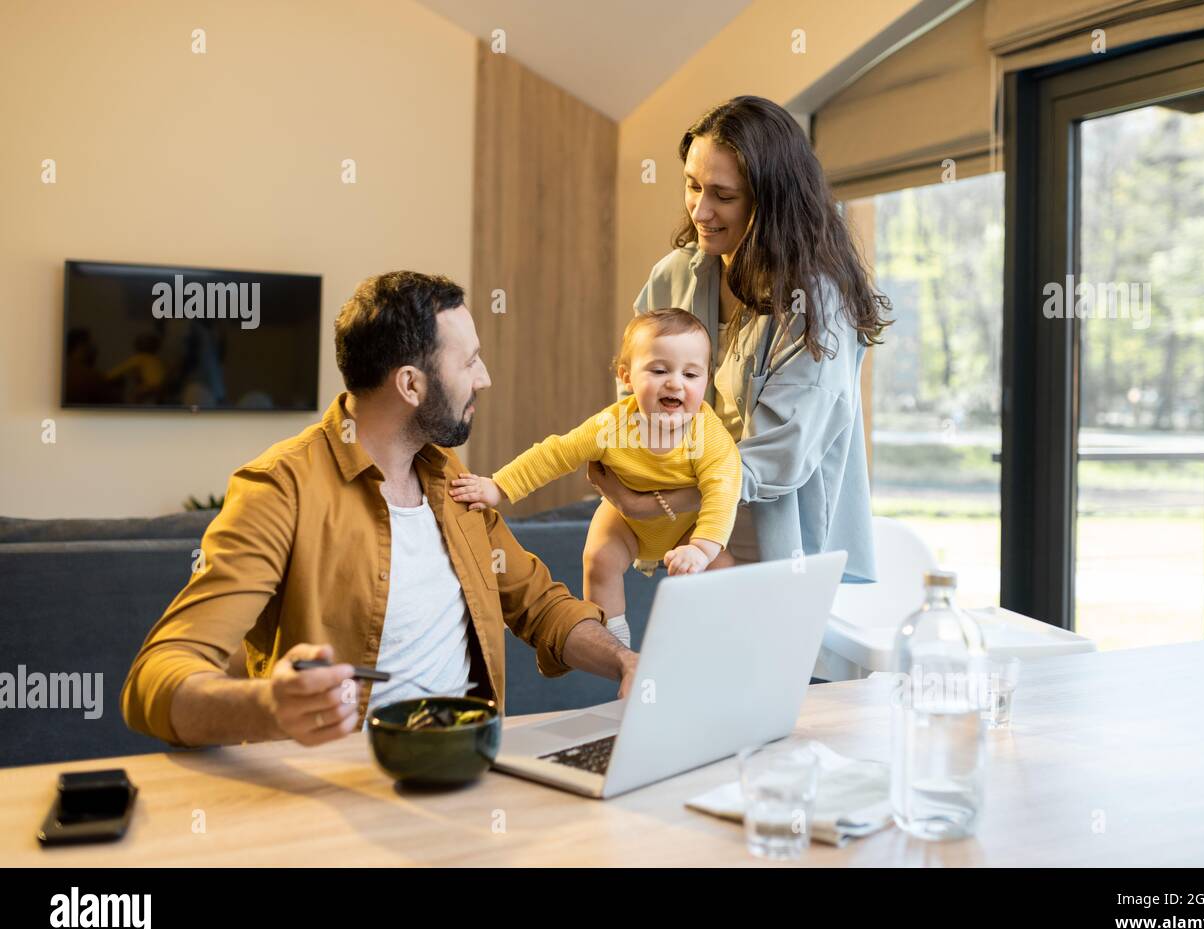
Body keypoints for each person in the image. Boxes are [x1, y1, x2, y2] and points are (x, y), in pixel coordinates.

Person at [120, 271, 636, 748]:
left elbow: (539, 606)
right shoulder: (280, 489)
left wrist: (625, 661)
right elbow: (156, 677)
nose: (485, 378)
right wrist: (272, 707)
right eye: (469, 361)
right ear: (410, 385)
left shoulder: (451, 478)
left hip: (466, 770)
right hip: (339, 791)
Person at [589, 94, 891, 585]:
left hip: (777, 538)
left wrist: (662, 497)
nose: (701, 211)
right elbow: (637, 385)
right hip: (687, 526)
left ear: (769, 201)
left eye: (723, 196)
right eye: (692, 186)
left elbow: (783, 451)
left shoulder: (815, 302)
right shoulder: (674, 277)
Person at [451, 308, 741, 647]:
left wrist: (701, 549)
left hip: (689, 527)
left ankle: (714, 644)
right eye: (659, 370)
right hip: (625, 522)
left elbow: (723, 491)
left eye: (691, 375)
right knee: (599, 558)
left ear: (707, 380)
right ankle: (615, 644)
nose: (675, 382)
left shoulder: (709, 437)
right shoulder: (611, 426)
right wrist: (498, 486)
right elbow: (556, 454)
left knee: (725, 569)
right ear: (626, 377)